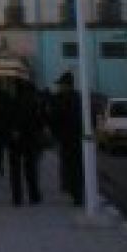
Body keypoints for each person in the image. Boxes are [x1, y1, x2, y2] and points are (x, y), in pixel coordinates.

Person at [5, 80, 43, 206]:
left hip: (15, 141)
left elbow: (8, 120)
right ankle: (34, 195)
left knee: (15, 170)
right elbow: (39, 121)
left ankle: (17, 197)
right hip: (30, 140)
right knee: (31, 169)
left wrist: (13, 131)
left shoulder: (12, 102)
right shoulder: (34, 103)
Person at [50, 70, 84, 205]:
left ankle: (76, 194)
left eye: (61, 85)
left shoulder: (68, 99)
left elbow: (59, 117)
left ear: (67, 85)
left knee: (72, 167)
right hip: (71, 138)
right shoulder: (75, 98)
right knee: (72, 166)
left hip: (71, 138)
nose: (60, 87)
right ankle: (75, 192)